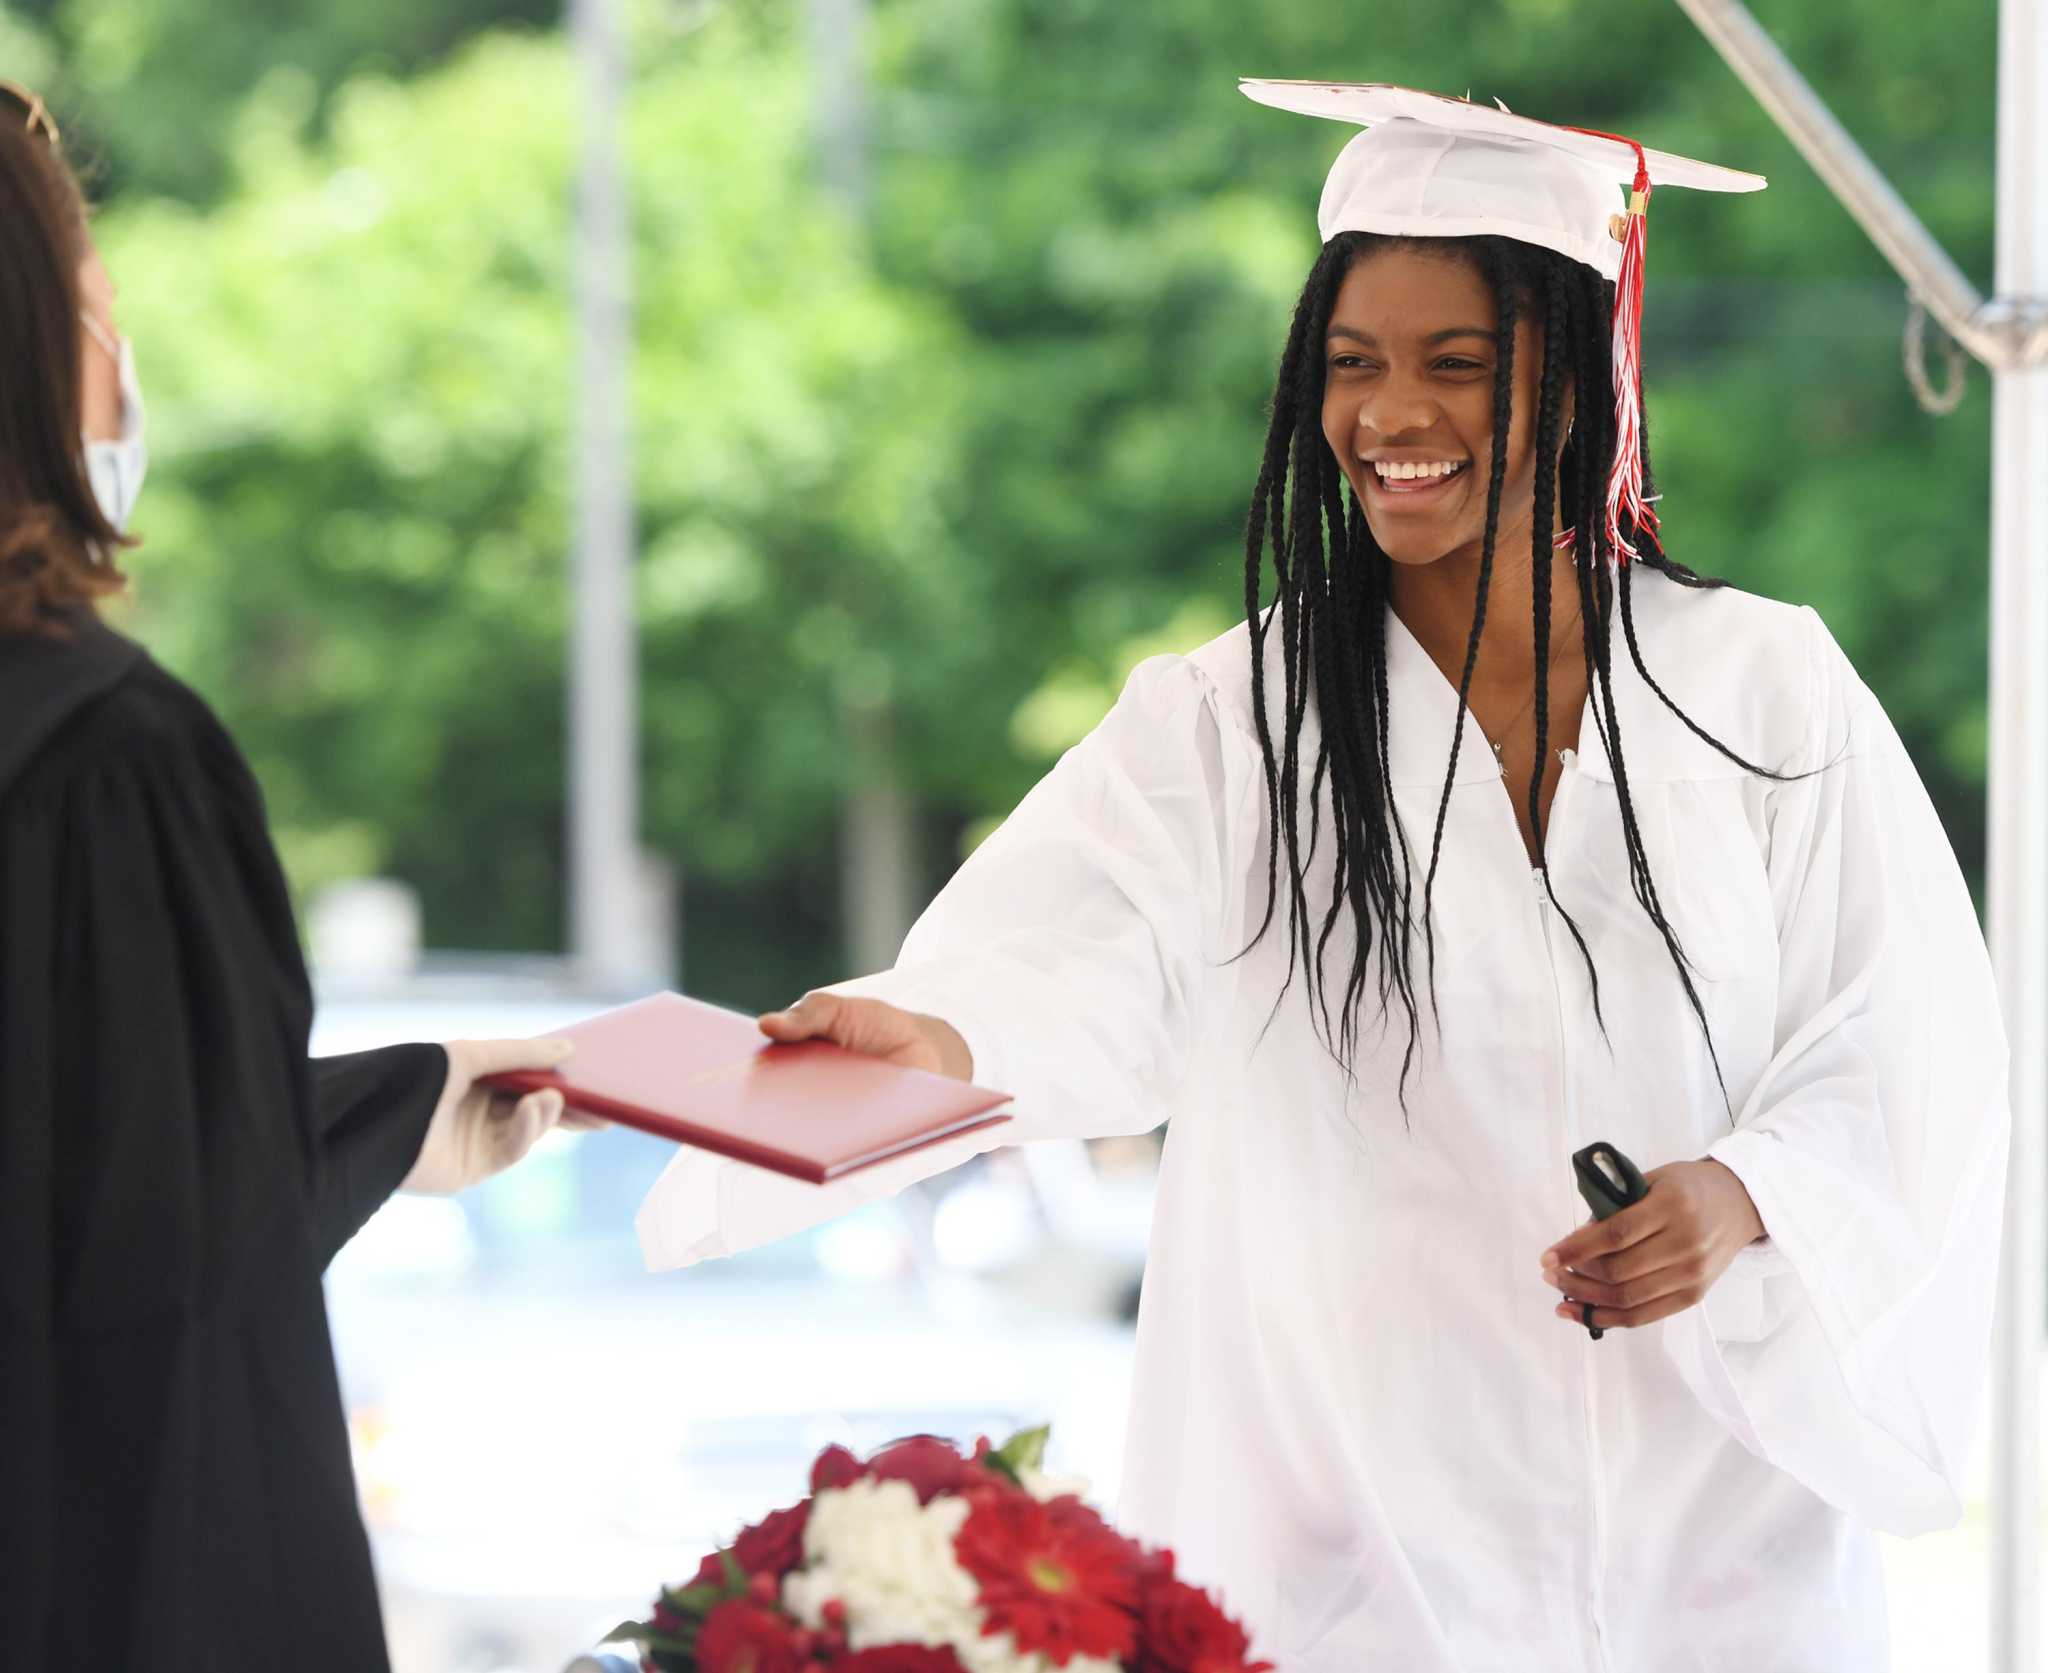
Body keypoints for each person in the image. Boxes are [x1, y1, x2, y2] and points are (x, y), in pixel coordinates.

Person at [636, 83, 2011, 1671]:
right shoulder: (1235, 723)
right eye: (1352, 365)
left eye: (1456, 363)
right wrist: (935, 1038)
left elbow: (1909, 1034)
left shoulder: (1762, 691)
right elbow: (1074, 970)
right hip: (1354, 1575)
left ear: (1580, 379)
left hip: (1723, 1577)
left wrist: (1745, 1196)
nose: (1390, 413)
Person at [0, 82, 581, 1672]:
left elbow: (67, 1185)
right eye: (93, 303)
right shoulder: (103, 767)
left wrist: (391, 1113)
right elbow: (164, 1341)